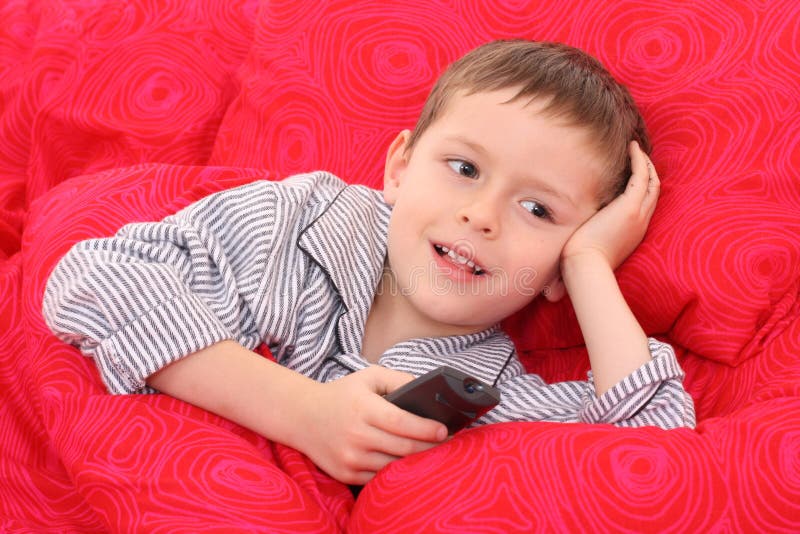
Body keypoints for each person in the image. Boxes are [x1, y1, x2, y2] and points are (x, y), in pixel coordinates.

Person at [42, 40, 695, 486]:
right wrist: (305, 413)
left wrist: (588, 267)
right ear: (400, 166)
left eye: (538, 211)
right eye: (464, 169)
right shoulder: (300, 223)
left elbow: (652, 459)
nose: (483, 215)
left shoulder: (491, 396)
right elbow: (93, 281)